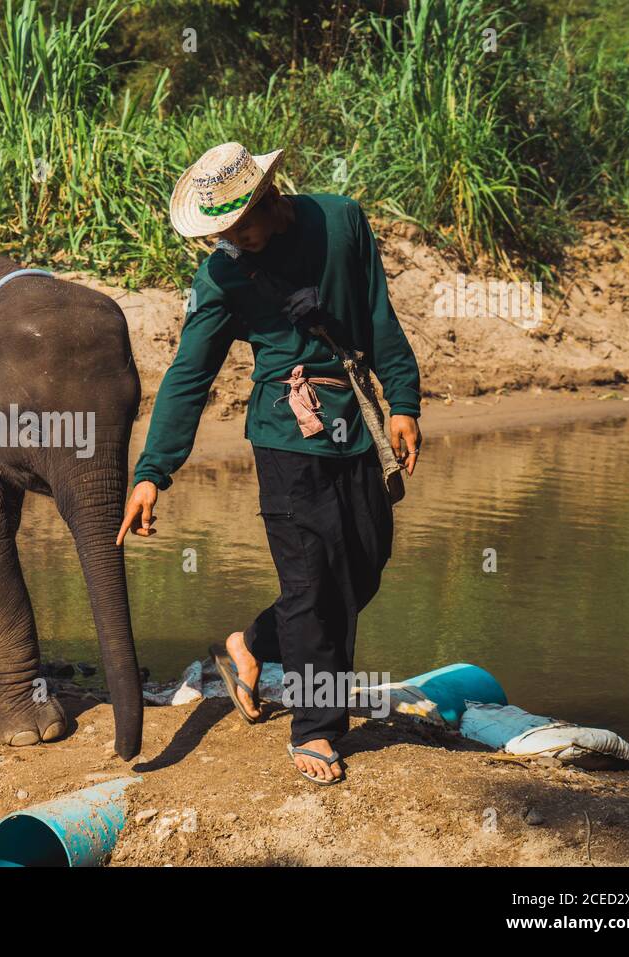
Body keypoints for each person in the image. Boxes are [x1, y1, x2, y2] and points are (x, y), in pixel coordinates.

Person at [117, 143, 422, 785]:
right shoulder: (222, 276)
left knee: (362, 568)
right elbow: (187, 377)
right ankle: (315, 730)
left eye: (242, 225)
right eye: (222, 232)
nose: (234, 239)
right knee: (316, 587)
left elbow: (377, 313)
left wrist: (403, 398)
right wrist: (152, 472)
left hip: (354, 422)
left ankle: (252, 645)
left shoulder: (341, 221)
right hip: (285, 439)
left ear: (268, 197)